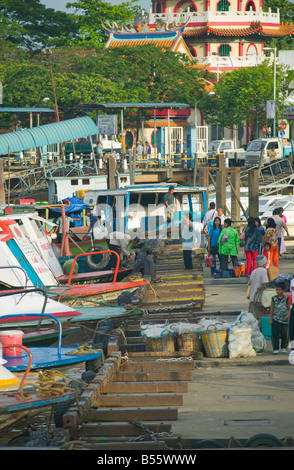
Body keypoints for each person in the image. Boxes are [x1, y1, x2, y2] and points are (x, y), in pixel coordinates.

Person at [247, 254, 269, 329]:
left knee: (252, 319)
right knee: (259, 318)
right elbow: (264, 283)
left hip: (252, 298)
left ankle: (253, 333)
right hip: (258, 299)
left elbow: (249, 283)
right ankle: (259, 333)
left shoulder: (254, 271)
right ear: (264, 263)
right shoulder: (263, 271)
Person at [269, 281, 290, 354]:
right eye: (277, 289)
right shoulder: (273, 299)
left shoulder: (286, 299)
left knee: (285, 334)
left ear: (283, 290)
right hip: (275, 319)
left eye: (279, 289)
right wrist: (271, 319)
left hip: (284, 320)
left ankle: (284, 347)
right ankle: (276, 348)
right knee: (275, 334)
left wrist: (288, 315)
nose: (278, 291)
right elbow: (271, 309)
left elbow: (288, 308)